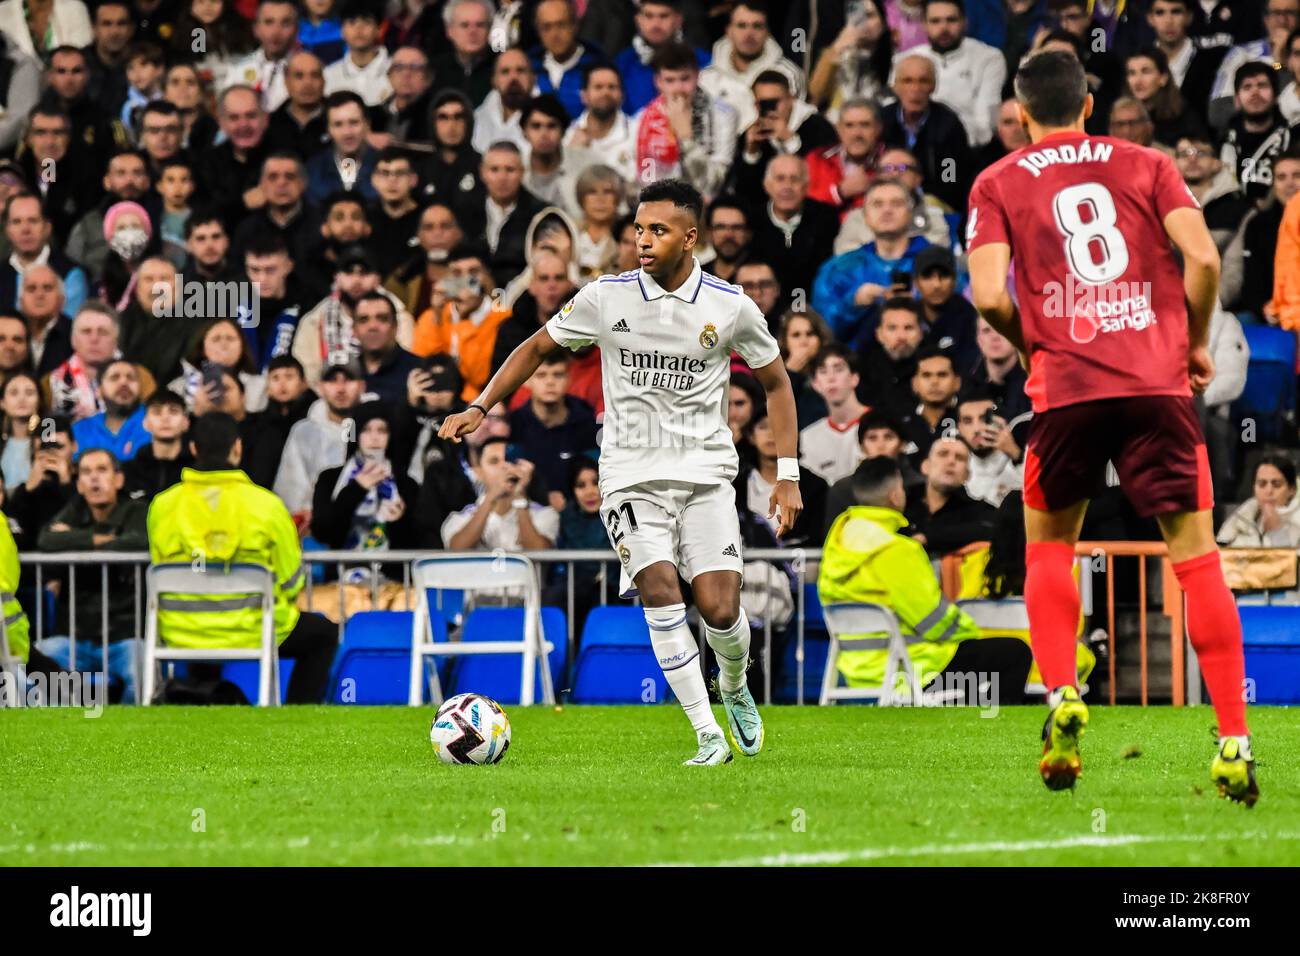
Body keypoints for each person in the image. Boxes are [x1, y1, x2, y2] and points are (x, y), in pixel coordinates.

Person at [967, 50, 1257, 802]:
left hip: (1066, 388)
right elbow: (1202, 259)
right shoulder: (1148, 162)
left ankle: (1061, 690)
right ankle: (1232, 739)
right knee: (1195, 560)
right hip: (1155, 385)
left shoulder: (998, 181)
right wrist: (1191, 342)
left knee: (1048, 549)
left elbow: (989, 295)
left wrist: (1037, 340)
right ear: (1090, 104)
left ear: (1022, 112)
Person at [439, 178, 802, 766]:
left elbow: (777, 382)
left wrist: (787, 473)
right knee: (659, 591)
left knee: (721, 610)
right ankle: (708, 735)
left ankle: (734, 685)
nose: (644, 240)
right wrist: (482, 405)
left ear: (691, 238)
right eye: (638, 229)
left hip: (707, 476)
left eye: (659, 230)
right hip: (630, 476)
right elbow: (534, 348)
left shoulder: (730, 307)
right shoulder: (605, 298)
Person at [147, 412, 339, 703]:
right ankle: (299, 717)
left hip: (183, 631)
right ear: (237, 448)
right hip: (252, 629)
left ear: (194, 449)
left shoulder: (162, 506)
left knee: (203, 622)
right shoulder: (267, 506)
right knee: (323, 633)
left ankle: (204, 700)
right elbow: (291, 582)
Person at [819, 455, 1033, 703]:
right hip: (913, 670)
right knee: (1014, 652)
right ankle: (988, 732)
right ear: (894, 496)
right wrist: (971, 633)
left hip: (858, 671)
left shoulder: (838, 541)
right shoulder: (897, 549)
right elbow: (933, 620)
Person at [34, 447, 147, 703]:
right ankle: (59, 736)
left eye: (102, 470)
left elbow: (139, 542)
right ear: (79, 484)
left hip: (124, 636)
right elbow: (46, 539)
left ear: (118, 479)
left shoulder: (136, 510)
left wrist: (74, 540)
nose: (94, 478)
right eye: (86, 472)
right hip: (75, 637)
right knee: (38, 661)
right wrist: (102, 538)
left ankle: (134, 737)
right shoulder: (74, 510)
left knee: (140, 671)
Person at [310, 401, 419, 556]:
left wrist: (399, 521)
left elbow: (417, 540)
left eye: (382, 431)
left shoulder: (406, 484)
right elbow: (322, 532)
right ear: (356, 435)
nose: (374, 438)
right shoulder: (330, 478)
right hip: (340, 575)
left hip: (391, 577)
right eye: (366, 430)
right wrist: (357, 488)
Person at [895, 0, 1006, 147]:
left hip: (968, 148)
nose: (944, 28)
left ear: (965, 22)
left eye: (951, 20)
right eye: (935, 21)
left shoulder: (989, 58)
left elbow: (986, 124)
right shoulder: (905, 59)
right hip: (913, 146)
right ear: (924, 25)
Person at [273, 360, 364, 521]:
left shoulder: (376, 427)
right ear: (320, 388)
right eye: (332, 380)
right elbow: (292, 491)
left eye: (348, 380)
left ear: (362, 386)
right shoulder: (304, 432)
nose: (341, 389)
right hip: (316, 530)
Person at [507, 352, 597, 508]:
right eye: (541, 375)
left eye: (558, 375)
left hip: (579, 515)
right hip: (529, 513)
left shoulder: (587, 422)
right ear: (527, 380)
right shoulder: (514, 425)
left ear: (569, 379)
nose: (550, 382)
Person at [441, 436, 559, 550]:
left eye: (511, 460)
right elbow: (457, 550)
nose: (504, 467)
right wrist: (491, 497)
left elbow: (540, 553)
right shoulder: (461, 518)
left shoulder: (545, 514)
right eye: (494, 461)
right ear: (479, 471)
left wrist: (520, 499)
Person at [904, 435, 996, 555]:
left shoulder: (980, 511)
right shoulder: (903, 503)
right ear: (926, 466)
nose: (951, 461)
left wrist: (927, 538)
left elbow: (992, 530)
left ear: (967, 474)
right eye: (943, 454)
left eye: (959, 458)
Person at [799, 343, 868, 485]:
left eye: (838, 369)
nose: (831, 378)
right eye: (823, 371)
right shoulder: (807, 438)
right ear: (816, 384)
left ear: (855, 378)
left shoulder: (882, 426)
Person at [70, 358, 149, 462]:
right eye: (114, 377)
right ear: (98, 390)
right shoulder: (81, 429)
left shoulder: (156, 423)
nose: (124, 382)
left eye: (131, 378)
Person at [122, 388, 192, 500]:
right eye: (157, 412)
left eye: (173, 411)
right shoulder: (129, 472)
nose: (165, 418)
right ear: (145, 423)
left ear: (186, 422)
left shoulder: (198, 470)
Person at [1217, 455, 1300, 548]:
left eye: (1277, 484)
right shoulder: (1244, 515)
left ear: (1292, 490)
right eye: (1262, 484)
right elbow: (1221, 547)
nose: (1269, 491)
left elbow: (1292, 561)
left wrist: (1277, 531)